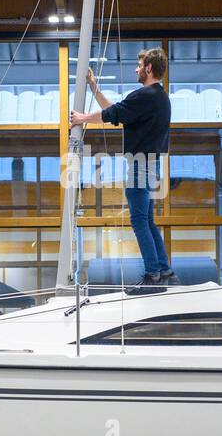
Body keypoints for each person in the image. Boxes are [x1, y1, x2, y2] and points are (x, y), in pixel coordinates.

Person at [70, 46, 178, 293]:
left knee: (139, 221)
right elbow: (117, 111)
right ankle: (164, 270)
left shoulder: (146, 96)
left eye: (139, 66)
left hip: (141, 164)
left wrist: (81, 119)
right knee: (147, 220)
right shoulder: (158, 97)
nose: (136, 69)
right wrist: (93, 88)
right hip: (150, 164)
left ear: (149, 69)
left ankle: (154, 274)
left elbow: (113, 112)